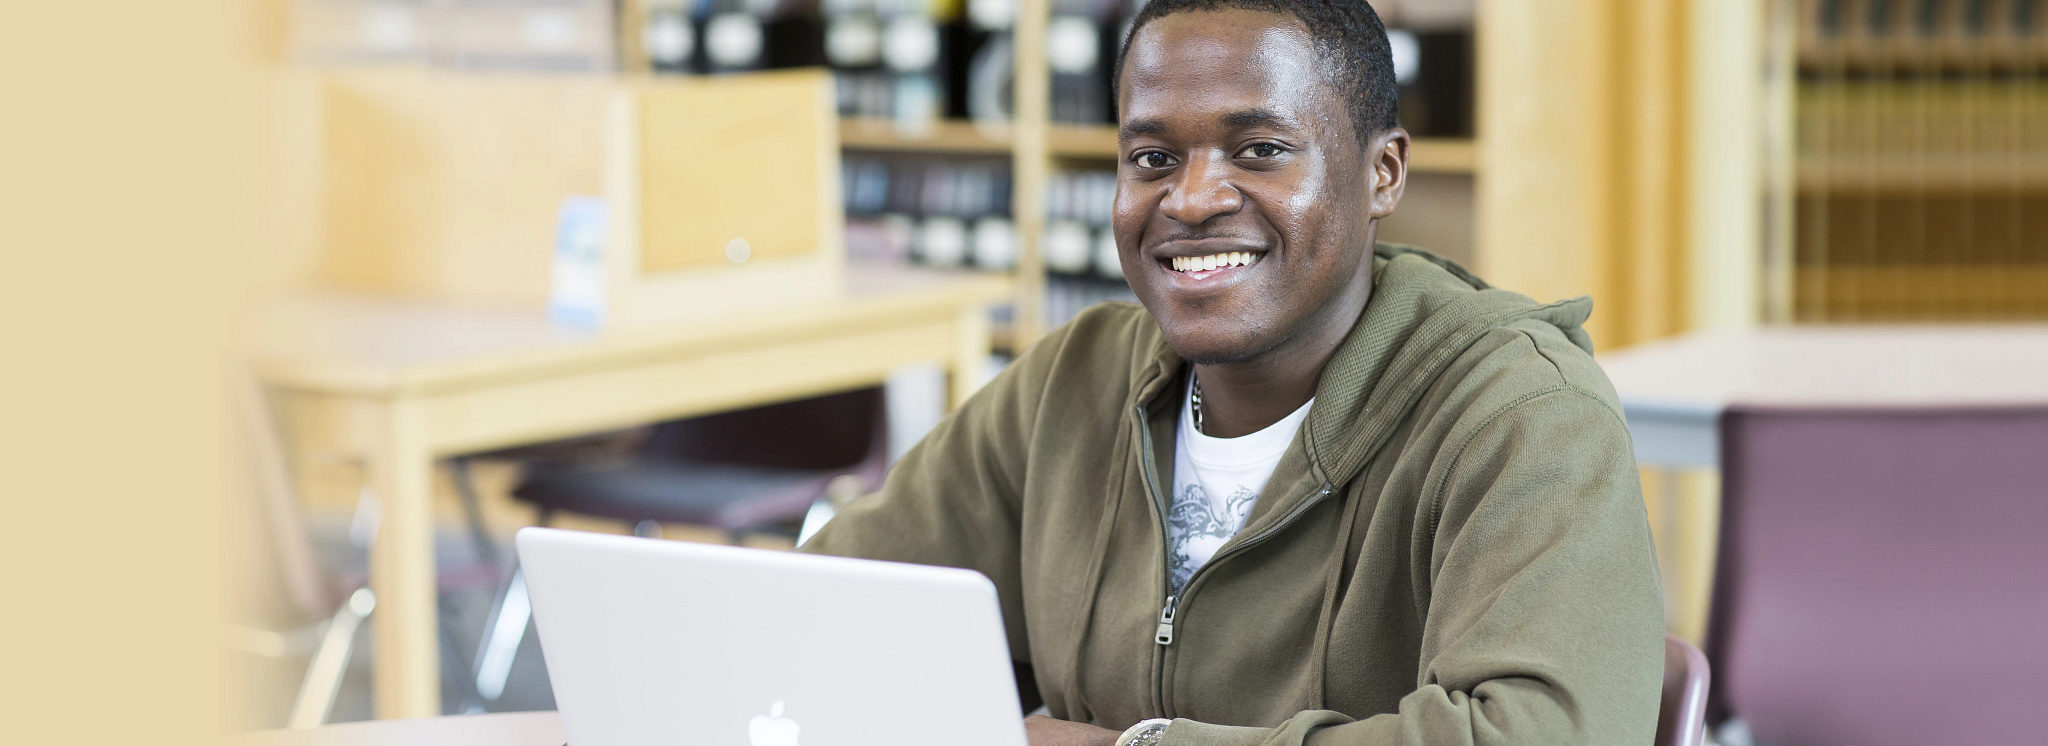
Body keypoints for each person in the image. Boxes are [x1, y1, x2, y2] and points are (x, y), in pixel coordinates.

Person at [802, 0, 1665, 743]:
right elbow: (827, 610)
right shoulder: (1075, 382)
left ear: (1383, 174)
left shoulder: (1524, 417)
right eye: (1152, 159)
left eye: (1258, 150)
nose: (1190, 198)